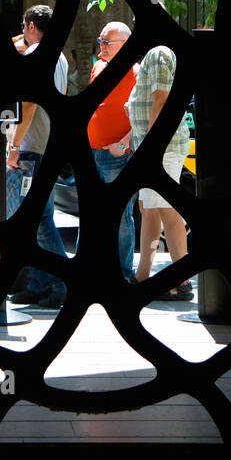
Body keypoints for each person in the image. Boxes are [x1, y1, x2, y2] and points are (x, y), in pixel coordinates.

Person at [7, 4, 69, 308]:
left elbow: (28, 104)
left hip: (33, 146)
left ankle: (60, 281)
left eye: (23, 24)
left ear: (32, 26)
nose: (22, 29)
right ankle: (41, 283)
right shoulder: (60, 58)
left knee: (40, 219)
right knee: (40, 218)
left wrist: (14, 145)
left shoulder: (33, 55)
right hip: (48, 145)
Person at [128, 42, 192, 297]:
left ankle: (182, 281)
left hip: (160, 149)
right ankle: (142, 276)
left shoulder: (158, 52)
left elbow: (161, 97)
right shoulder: (157, 53)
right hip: (156, 148)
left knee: (166, 209)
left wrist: (151, 145)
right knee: (149, 209)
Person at [87, 22, 138, 283]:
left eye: (108, 42)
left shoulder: (136, 71)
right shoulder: (98, 65)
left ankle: (123, 274)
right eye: (101, 40)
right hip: (94, 151)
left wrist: (124, 145)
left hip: (116, 155)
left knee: (120, 215)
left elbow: (143, 116)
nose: (102, 47)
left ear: (125, 45)